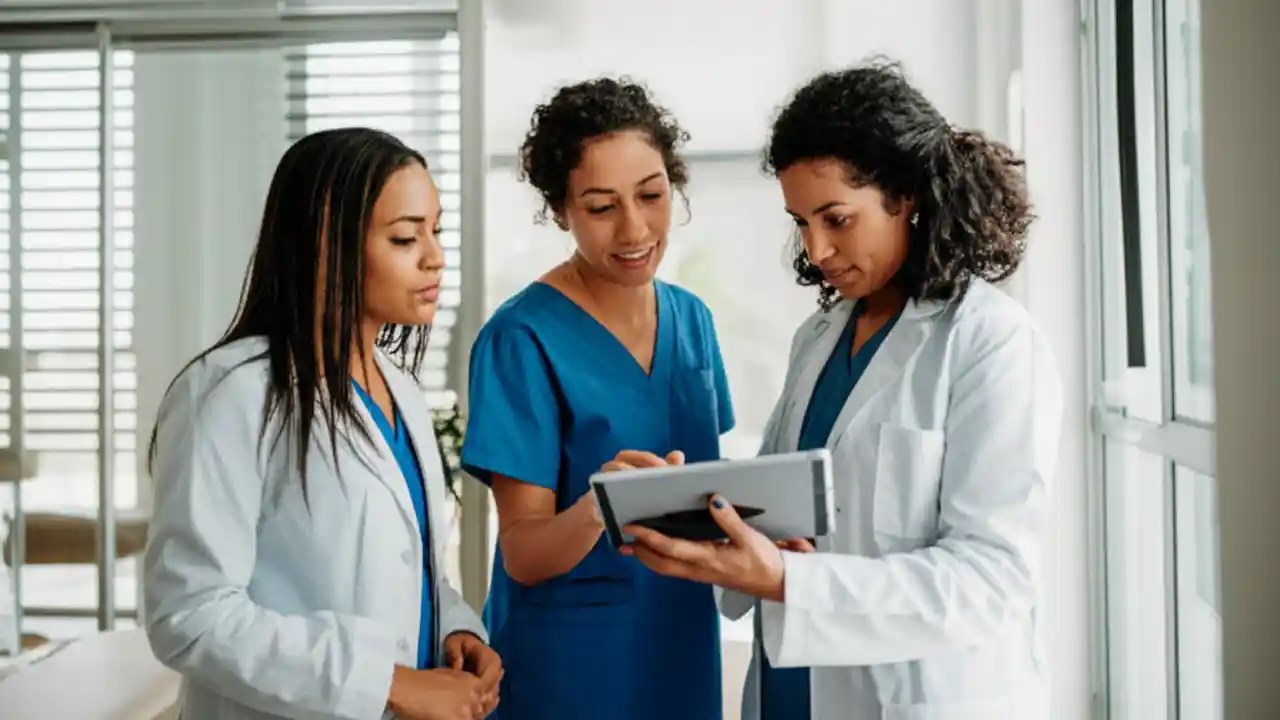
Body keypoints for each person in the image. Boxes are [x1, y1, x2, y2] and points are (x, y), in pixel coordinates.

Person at [604, 60, 1063, 719]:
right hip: (794, 687)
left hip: (916, 696)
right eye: (801, 222)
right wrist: (686, 507)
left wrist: (789, 579)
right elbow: (790, 503)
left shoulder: (992, 342)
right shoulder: (821, 336)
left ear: (905, 198)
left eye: (837, 219)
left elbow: (992, 579)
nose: (816, 250)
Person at [143, 128, 502, 720]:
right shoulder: (234, 391)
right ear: (328, 244)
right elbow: (190, 614)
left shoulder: (403, 390)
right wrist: (388, 682)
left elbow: (409, 569)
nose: (434, 256)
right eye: (405, 237)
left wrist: (457, 630)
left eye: (435, 231)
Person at [460, 78, 734, 719]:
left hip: (683, 638)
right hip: (572, 663)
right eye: (601, 206)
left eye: (652, 195)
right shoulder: (520, 339)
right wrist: (598, 508)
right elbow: (523, 555)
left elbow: (706, 499)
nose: (635, 228)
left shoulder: (692, 320)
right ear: (562, 210)